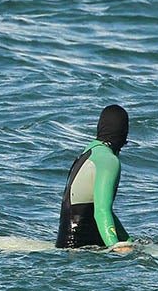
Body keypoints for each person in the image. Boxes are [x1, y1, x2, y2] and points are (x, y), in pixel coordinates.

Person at [56, 104, 133, 250]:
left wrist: (127, 240)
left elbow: (100, 210)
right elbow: (102, 212)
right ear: (124, 131)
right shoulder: (108, 160)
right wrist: (117, 247)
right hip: (82, 251)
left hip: (67, 247)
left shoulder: (90, 152)